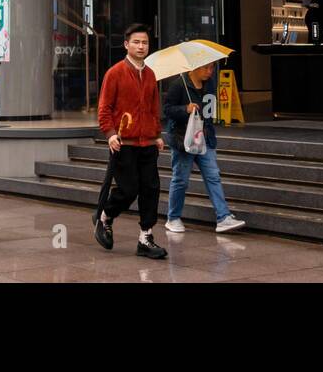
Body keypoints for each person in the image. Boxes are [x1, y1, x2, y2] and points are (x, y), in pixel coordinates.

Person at [93, 23, 166, 259]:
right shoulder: (114, 73)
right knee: (128, 190)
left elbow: (154, 108)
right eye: (136, 42)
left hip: (147, 144)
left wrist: (157, 134)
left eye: (144, 42)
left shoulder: (151, 74)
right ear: (126, 44)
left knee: (151, 190)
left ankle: (146, 237)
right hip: (124, 143)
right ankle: (105, 215)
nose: (141, 46)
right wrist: (110, 133)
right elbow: (104, 108)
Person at [163, 63, 246, 234]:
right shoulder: (179, 85)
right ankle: (173, 218)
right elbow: (167, 110)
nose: (209, 72)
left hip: (204, 138)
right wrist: (185, 109)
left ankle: (223, 217)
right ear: (194, 68)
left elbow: (208, 112)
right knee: (181, 179)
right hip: (183, 140)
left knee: (213, 175)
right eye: (206, 68)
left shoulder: (209, 84)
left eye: (211, 68)